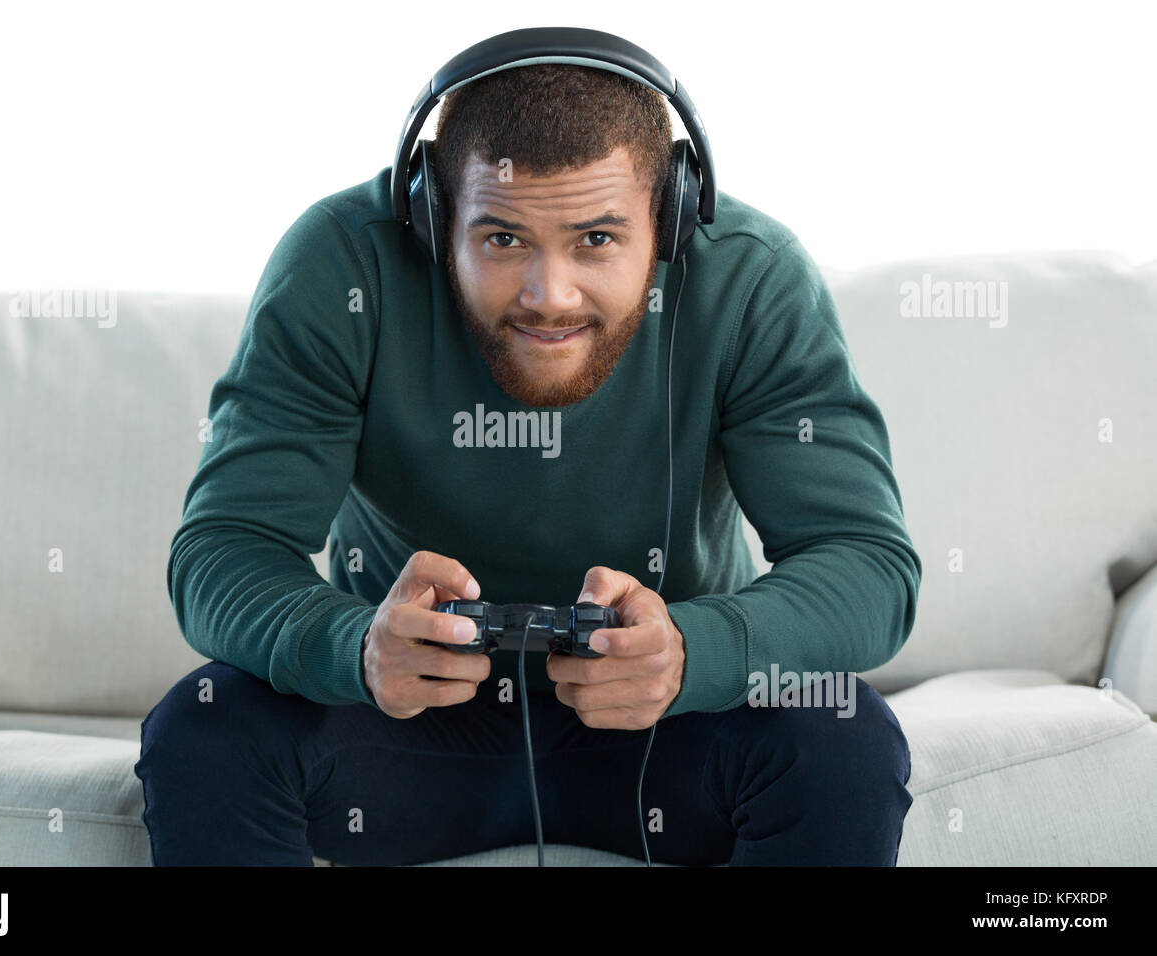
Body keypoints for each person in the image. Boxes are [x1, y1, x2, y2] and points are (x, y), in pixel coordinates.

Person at [134, 49, 921, 866]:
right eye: (503, 237)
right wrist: (356, 647)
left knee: (840, 735)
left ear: (672, 219)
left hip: (669, 731)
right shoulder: (341, 264)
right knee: (207, 724)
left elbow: (869, 566)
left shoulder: (754, 280)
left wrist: (693, 652)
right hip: (399, 730)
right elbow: (221, 552)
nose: (551, 294)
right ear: (434, 218)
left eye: (597, 238)